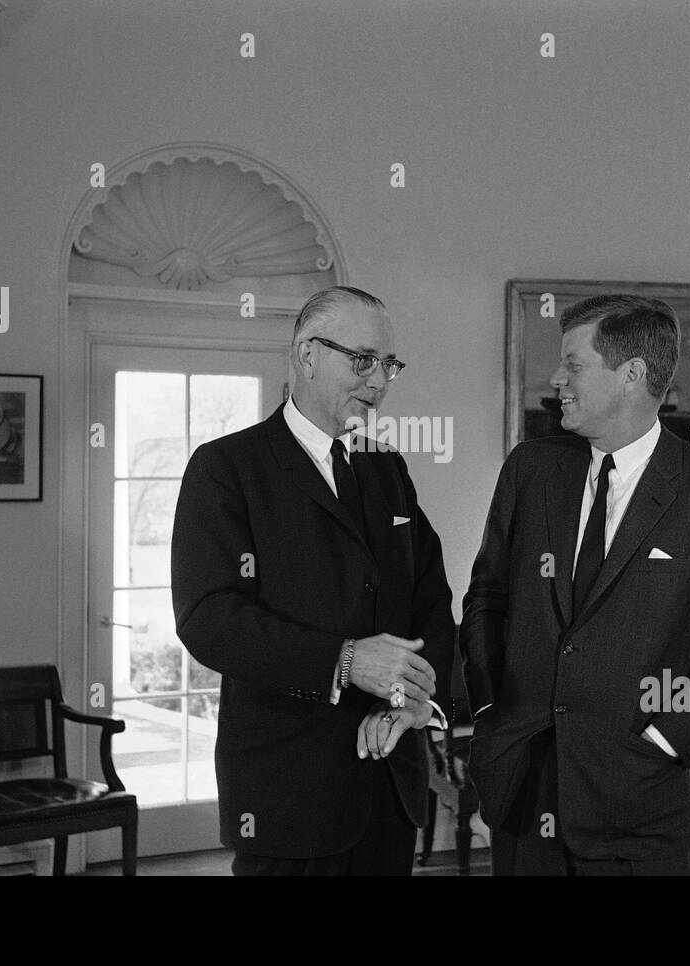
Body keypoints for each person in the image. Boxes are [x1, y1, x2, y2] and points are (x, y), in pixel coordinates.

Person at [461, 294, 690, 875]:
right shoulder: (530, 469)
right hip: (521, 795)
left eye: (574, 365)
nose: (557, 379)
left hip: (641, 809)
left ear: (632, 373)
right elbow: (487, 599)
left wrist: (667, 740)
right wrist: (489, 708)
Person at [171, 285, 455, 875]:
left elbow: (430, 594)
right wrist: (345, 660)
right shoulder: (225, 469)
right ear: (306, 355)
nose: (378, 381)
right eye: (363, 360)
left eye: (389, 364)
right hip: (287, 798)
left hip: (392, 789)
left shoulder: (387, 467)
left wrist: (412, 699)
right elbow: (209, 619)